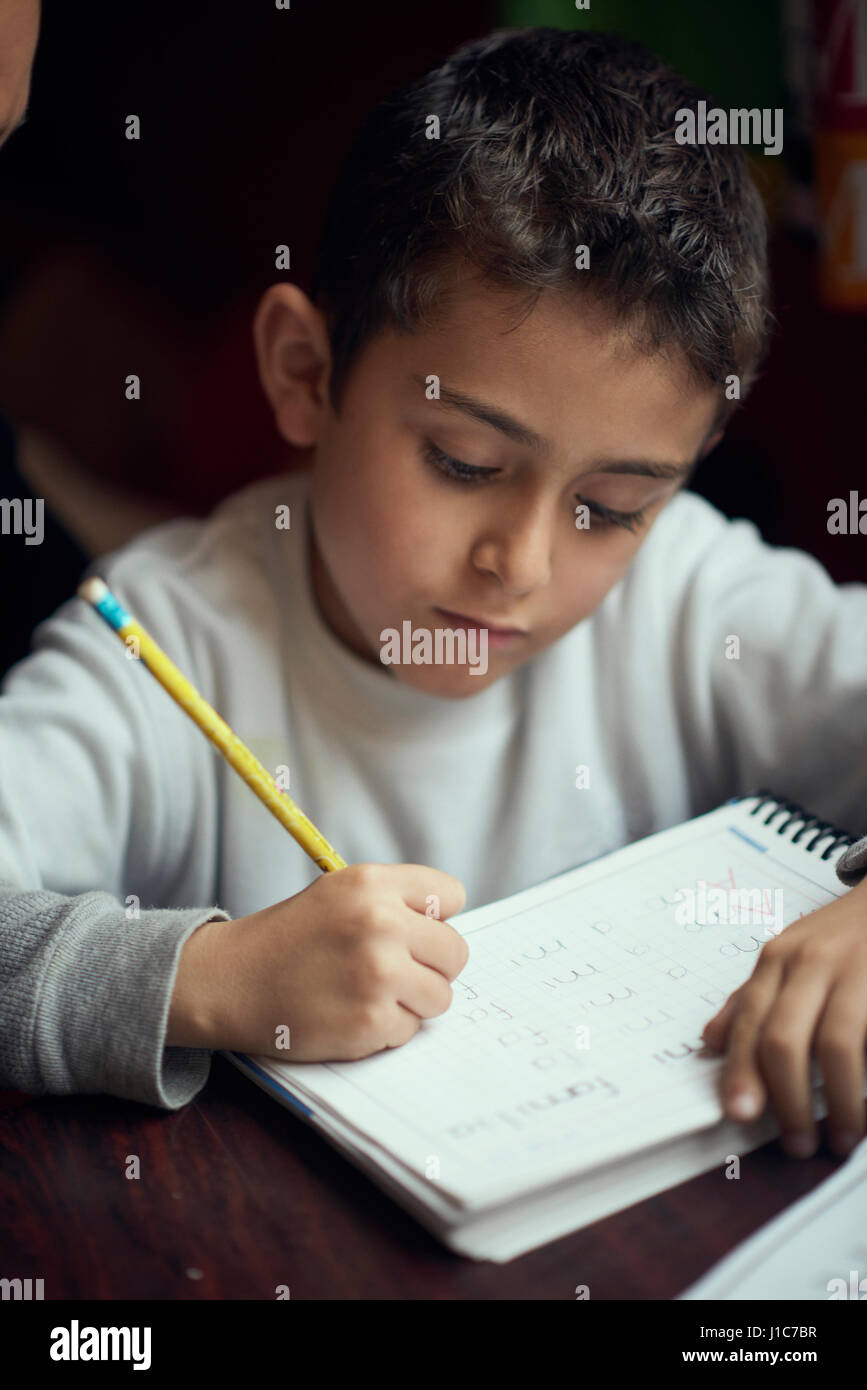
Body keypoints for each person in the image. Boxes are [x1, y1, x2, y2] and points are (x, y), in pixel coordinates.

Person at [1, 28, 865, 1163]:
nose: (526, 563)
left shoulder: (691, 592)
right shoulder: (162, 647)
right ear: (306, 376)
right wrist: (211, 977)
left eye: (609, 506)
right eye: (463, 461)